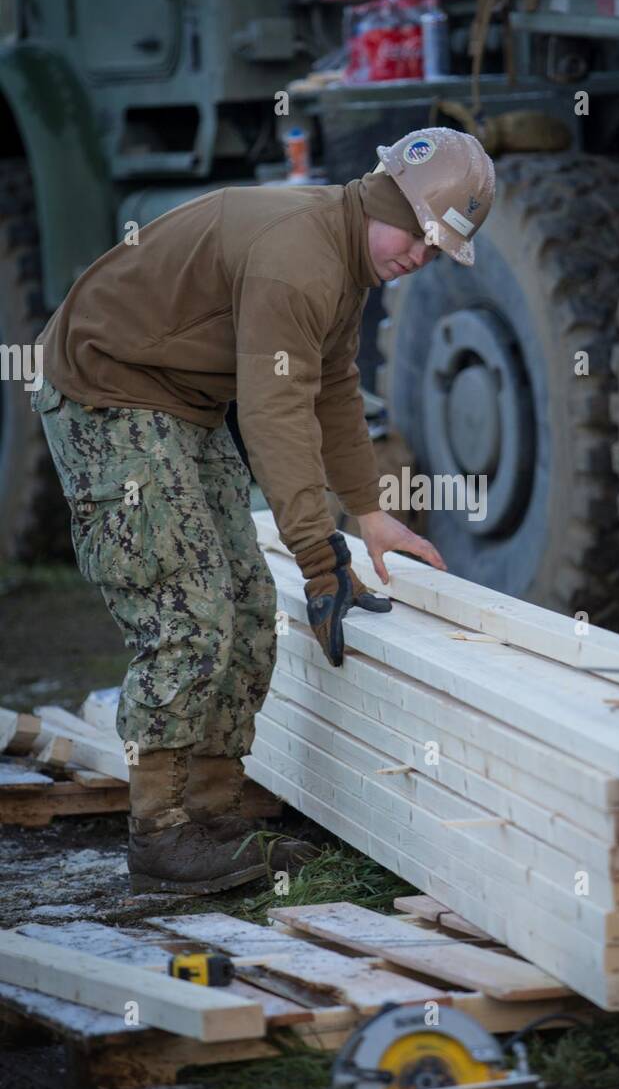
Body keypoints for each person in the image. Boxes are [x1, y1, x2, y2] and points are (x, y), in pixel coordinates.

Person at [30, 128, 496, 894]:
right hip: (107, 387)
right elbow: (277, 417)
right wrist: (319, 558)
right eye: (418, 236)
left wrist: (372, 516)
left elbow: (333, 389)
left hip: (182, 399)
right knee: (188, 611)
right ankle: (162, 836)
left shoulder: (345, 263)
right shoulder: (298, 259)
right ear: (388, 200)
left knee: (247, 606)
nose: (420, 256)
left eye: (436, 250)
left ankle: (211, 818)